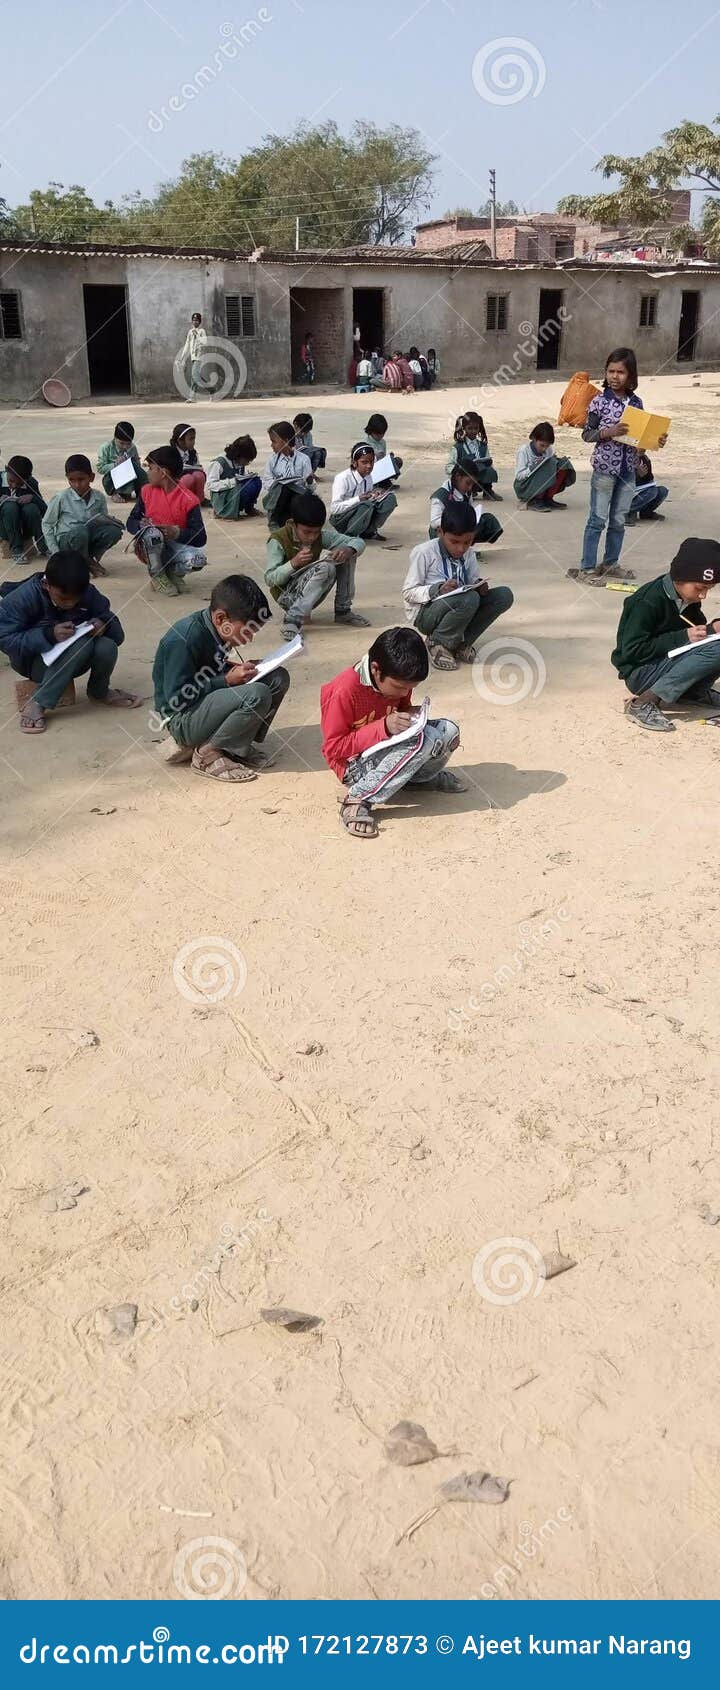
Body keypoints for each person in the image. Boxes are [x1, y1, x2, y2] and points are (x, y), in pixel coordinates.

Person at [321, 625, 466, 839]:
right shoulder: (344, 690)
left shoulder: (399, 679)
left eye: (410, 688)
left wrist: (411, 714)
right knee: (424, 741)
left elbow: (401, 708)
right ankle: (358, 800)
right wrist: (383, 727)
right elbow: (333, 748)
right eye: (399, 687)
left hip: (386, 749)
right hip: (354, 767)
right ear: (376, 670)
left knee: (448, 731)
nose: (405, 692)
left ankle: (416, 780)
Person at [152, 574, 290, 783]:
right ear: (220, 619)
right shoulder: (184, 639)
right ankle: (207, 755)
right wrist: (225, 680)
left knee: (277, 677)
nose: (250, 638)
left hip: (204, 703)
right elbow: (177, 698)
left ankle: (236, 747)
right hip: (182, 719)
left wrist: (238, 669)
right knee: (257, 694)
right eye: (248, 630)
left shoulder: (216, 630)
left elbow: (206, 669)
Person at [0, 550, 141, 734]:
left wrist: (104, 625)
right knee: (83, 644)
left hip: (75, 659)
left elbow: (118, 636)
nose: (70, 604)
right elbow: (5, 640)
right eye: (63, 598)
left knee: (106, 646)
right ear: (46, 584)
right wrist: (48, 635)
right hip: (33, 663)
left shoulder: (87, 593)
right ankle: (39, 701)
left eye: (76, 599)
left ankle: (99, 692)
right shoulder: (24, 597)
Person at [572, 346, 667, 581]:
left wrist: (657, 440)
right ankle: (587, 568)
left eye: (620, 372)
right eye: (611, 371)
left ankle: (611, 563)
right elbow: (587, 434)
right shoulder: (599, 402)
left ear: (631, 376)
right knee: (597, 520)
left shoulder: (636, 403)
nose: (615, 376)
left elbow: (640, 440)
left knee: (618, 520)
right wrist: (609, 431)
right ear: (605, 373)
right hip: (604, 470)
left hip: (628, 471)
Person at [612, 538, 720, 732]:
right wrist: (683, 637)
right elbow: (632, 652)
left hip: (665, 663)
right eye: (699, 588)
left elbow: (696, 632)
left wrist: (713, 628)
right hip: (640, 672)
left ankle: (694, 692)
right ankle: (643, 703)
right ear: (680, 577)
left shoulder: (687, 596)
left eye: (708, 589)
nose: (703, 596)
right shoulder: (647, 602)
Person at [403, 501, 513, 672]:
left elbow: (472, 581)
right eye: (454, 541)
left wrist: (479, 585)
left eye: (467, 542)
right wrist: (437, 589)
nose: (461, 548)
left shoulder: (468, 554)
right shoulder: (424, 552)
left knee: (504, 596)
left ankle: (460, 643)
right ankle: (437, 642)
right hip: (426, 614)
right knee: (469, 599)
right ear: (440, 532)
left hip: (460, 605)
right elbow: (408, 593)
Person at [265, 490, 369, 639]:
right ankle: (293, 619)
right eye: (307, 532)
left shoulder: (320, 536)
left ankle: (343, 611)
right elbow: (270, 579)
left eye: (316, 532)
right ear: (294, 524)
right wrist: (293, 564)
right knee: (326, 566)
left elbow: (358, 542)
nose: (312, 537)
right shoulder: (278, 539)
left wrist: (348, 549)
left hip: (312, 591)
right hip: (287, 596)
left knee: (347, 553)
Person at [127, 445, 207, 596]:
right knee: (153, 534)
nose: (148, 472)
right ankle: (157, 575)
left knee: (199, 559)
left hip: (175, 546)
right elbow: (131, 521)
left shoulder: (189, 499)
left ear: (163, 472)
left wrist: (177, 532)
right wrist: (139, 525)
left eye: (150, 468)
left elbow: (201, 537)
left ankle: (172, 573)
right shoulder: (146, 491)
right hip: (149, 547)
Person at [42, 455, 124, 578]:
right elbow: (47, 524)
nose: (77, 485)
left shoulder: (99, 497)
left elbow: (103, 520)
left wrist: (112, 521)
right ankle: (86, 562)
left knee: (114, 531)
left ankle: (87, 558)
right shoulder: (61, 497)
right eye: (72, 480)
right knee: (80, 530)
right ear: (67, 479)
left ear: (91, 477)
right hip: (67, 542)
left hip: (87, 540)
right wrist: (55, 552)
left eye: (81, 479)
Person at [330, 444, 398, 544]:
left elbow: (368, 497)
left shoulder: (368, 476)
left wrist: (375, 494)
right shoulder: (343, 478)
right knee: (366, 505)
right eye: (364, 462)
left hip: (361, 512)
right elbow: (334, 509)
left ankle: (368, 531)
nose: (369, 466)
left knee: (390, 499)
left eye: (371, 462)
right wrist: (359, 499)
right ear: (354, 463)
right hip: (341, 518)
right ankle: (349, 535)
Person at [429, 463, 502, 546]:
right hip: (447, 531)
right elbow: (434, 522)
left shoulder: (466, 492)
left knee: (489, 521)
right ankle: (451, 549)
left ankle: (466, 546)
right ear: (458, 477)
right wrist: (455, 521)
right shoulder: (441, 496)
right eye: (468, 483)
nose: (470, 487)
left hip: (461, 528)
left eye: (473, 484)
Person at [513, 423, 576, 512]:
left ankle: (547, 498)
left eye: (547, 446)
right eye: (542, 445)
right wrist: (532, 467)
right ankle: (535, 500)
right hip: (525, 487)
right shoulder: (524, 451)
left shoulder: (549, 449)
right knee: (550, 464)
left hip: (541, 482)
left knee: (563, 463)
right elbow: (519, 476)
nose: (544, 449)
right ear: (534, 439)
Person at [261, 422, 313, 527]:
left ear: (285, 441)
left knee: (301, 496)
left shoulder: (303, 459)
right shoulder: (272, 460)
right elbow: (266, 480)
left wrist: (309, 481)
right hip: (279, 498)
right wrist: (278, 484)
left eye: (274, 442)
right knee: (284, 488)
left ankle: (290, 520)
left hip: (297, 497)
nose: (272, 445)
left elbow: (310, 486)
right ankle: (275, 519)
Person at [0, 455, 47, 563]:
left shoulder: (31, 483)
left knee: (31, 508)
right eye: (11, 480)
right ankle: (16, 549)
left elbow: (45, 510)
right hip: (5, 527)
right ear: (7, 470)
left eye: (20, 483)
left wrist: (33, 498)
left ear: (28, 478)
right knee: (10, 507)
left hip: (25, 529)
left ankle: (43, 545)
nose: (14, 485)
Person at [447, 413, 502, 500]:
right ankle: (468, 491)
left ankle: (487, 491)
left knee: (489, 470)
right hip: (465, 475)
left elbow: (487, 459)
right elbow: (449, 465)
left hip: (480, 473)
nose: (473, 431)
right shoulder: (458, 447)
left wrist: (487, 463)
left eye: (476, 428)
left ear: (479, 428)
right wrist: (458, 471)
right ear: (464, 428)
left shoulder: (483, 446)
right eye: (470, 428)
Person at [206, 437, 262, 520]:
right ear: (238, 455)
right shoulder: (219, 463)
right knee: (246, 488)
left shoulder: (239, 463)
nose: (247, 463)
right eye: (246, 460)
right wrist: (232, 482)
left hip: (234, 492)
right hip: (223, 497)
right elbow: (211, 485)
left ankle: (249, 508)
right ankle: (223, 511)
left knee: (256, 482)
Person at [96, 422, 147, 503]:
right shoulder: (106, 447)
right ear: (115, 438)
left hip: (131, 478)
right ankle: (117, 493)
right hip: (111, 481)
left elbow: (138, 467)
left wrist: (133, 462)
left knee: (135, 467)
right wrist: (115, 464)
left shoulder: (133, 447)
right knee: (123, 467)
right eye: (121, 443)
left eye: (128, 444)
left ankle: (143, 491)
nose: (125, 446)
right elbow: (100, 468)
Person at [627, 451, 669, 524]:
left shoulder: (644, 458)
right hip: (628, 493)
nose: (643, 449)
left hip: (641, 489)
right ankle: (627, 511)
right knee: (652, 491)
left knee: (662, 490)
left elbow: (649, 478)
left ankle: (646, 512)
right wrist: (637, 475)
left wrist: (642, 475)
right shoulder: (627, 458)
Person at [170, 424, 207, 503]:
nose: (193, 442)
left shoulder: (192, 453)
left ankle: (199, 500)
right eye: (190, 439)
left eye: (194, 438)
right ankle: (178, 501)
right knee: (188, 478)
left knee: (199, 475)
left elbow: (197, 466)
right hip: (175, 484)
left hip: (190, 484)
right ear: (180, 440)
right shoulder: (171, 452)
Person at [180, 313, 207, 398]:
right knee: (196, 376)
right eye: (194, 320)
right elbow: (187, 345)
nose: (195, 322)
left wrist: (197, 335)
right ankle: (211, 389)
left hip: (199, 356)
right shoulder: (190, 332)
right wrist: (182, 357)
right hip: (193, 357)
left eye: (197, 320)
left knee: (194, 376)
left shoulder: (201, 331)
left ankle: (192, 396)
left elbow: (205, 342)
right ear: (192, 321)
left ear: (200, 322)